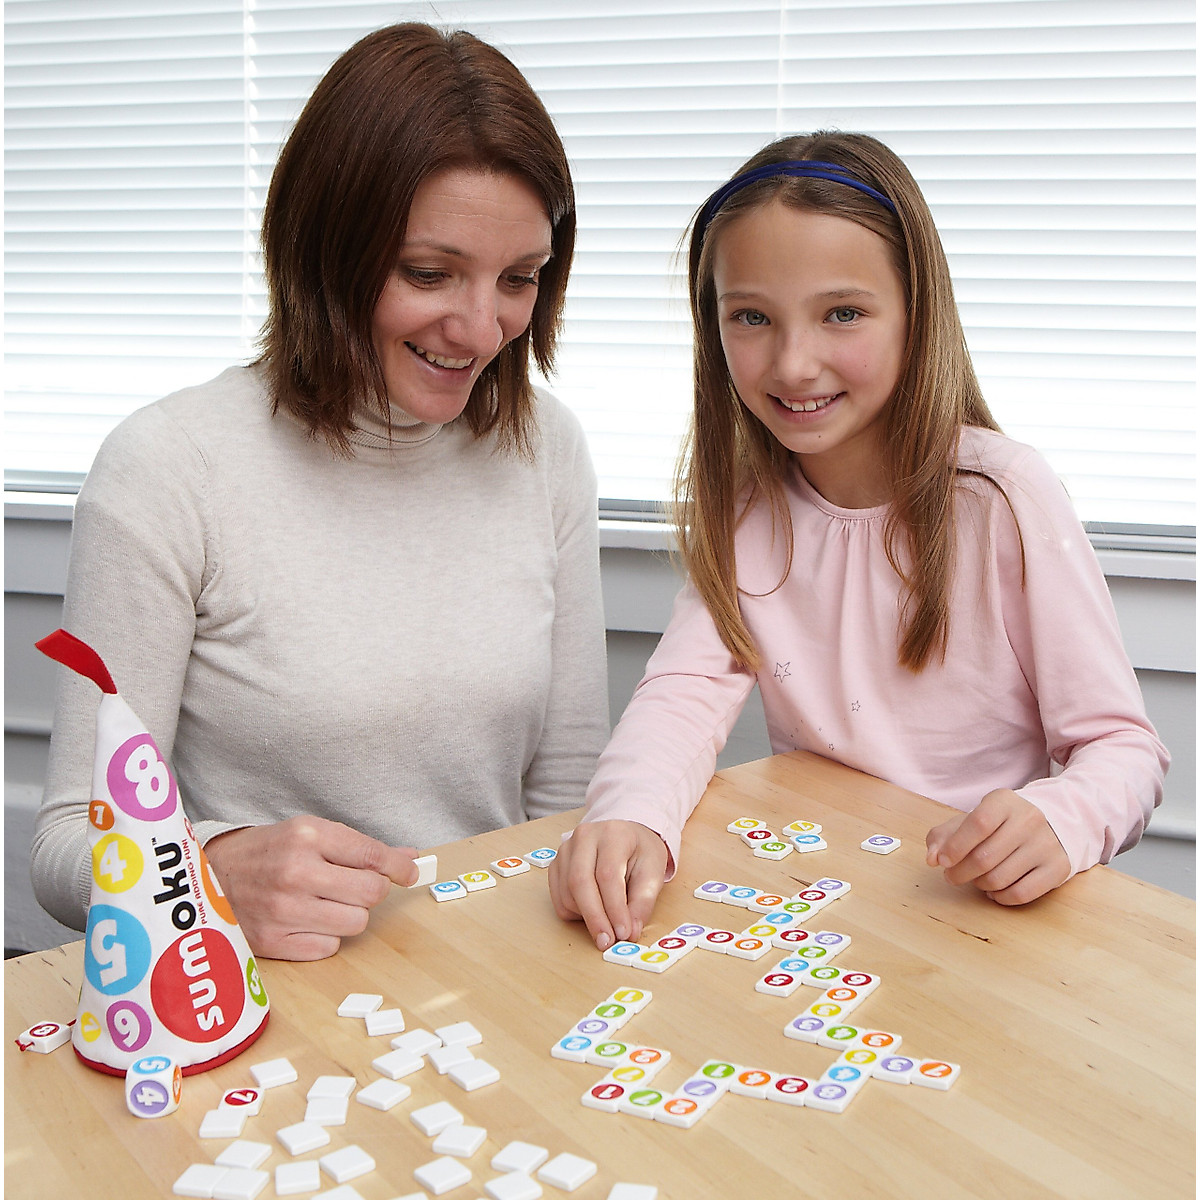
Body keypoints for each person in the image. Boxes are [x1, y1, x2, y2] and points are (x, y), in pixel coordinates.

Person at [33, 23, 609, 961]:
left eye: (521, 280)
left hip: (493, 980)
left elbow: (565, 804)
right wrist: (208, 873)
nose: (482, 327)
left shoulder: (546, 447)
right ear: (323, 250)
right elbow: (63, 847)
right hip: (263, 998)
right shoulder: (167, 466)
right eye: (429, 273)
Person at [549, 131, 1169, 950]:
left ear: (918, 311)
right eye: (751, 317)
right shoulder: (747, 507)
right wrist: (631, 812)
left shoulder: (1005, 496)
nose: (795, 362)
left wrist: (1063, 818)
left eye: (842, 313)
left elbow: (1122, 747)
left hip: (973, 923)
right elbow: (683, 695)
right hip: (831, 914)